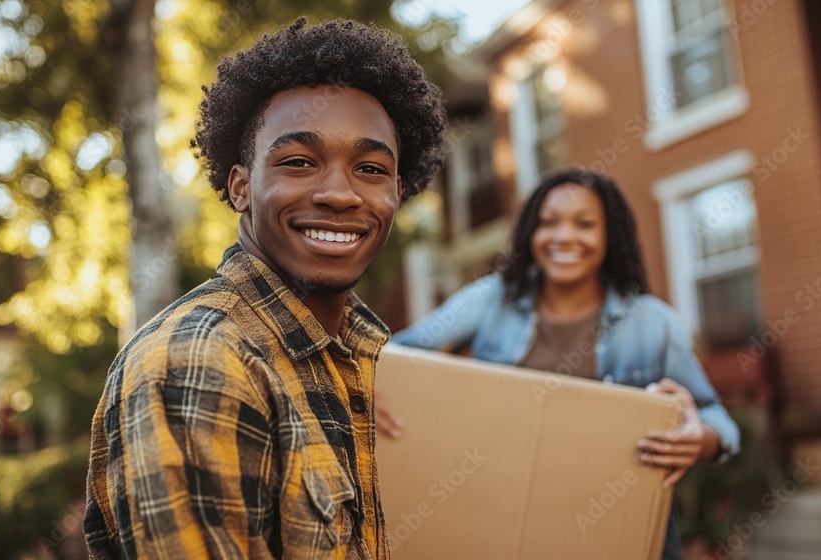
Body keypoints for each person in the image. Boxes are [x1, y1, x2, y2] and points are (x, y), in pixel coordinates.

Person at [84, 17, 446, 559]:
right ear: (240, 187)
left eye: (370, 168)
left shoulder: (346, 360)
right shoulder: (201, 362)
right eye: (299, 162)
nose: (340, 194)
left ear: (396, 192)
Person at [388, 167, 740, 560]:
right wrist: (380, 390)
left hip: (612, 528)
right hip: (497, 519)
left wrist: (699, 440)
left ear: (610, 236)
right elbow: (398, 353)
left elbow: (716, 417)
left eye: (584, 224)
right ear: (531, 234)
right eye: (548, 223)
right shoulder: (493, 299)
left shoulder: (653, 323)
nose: (564, 237)